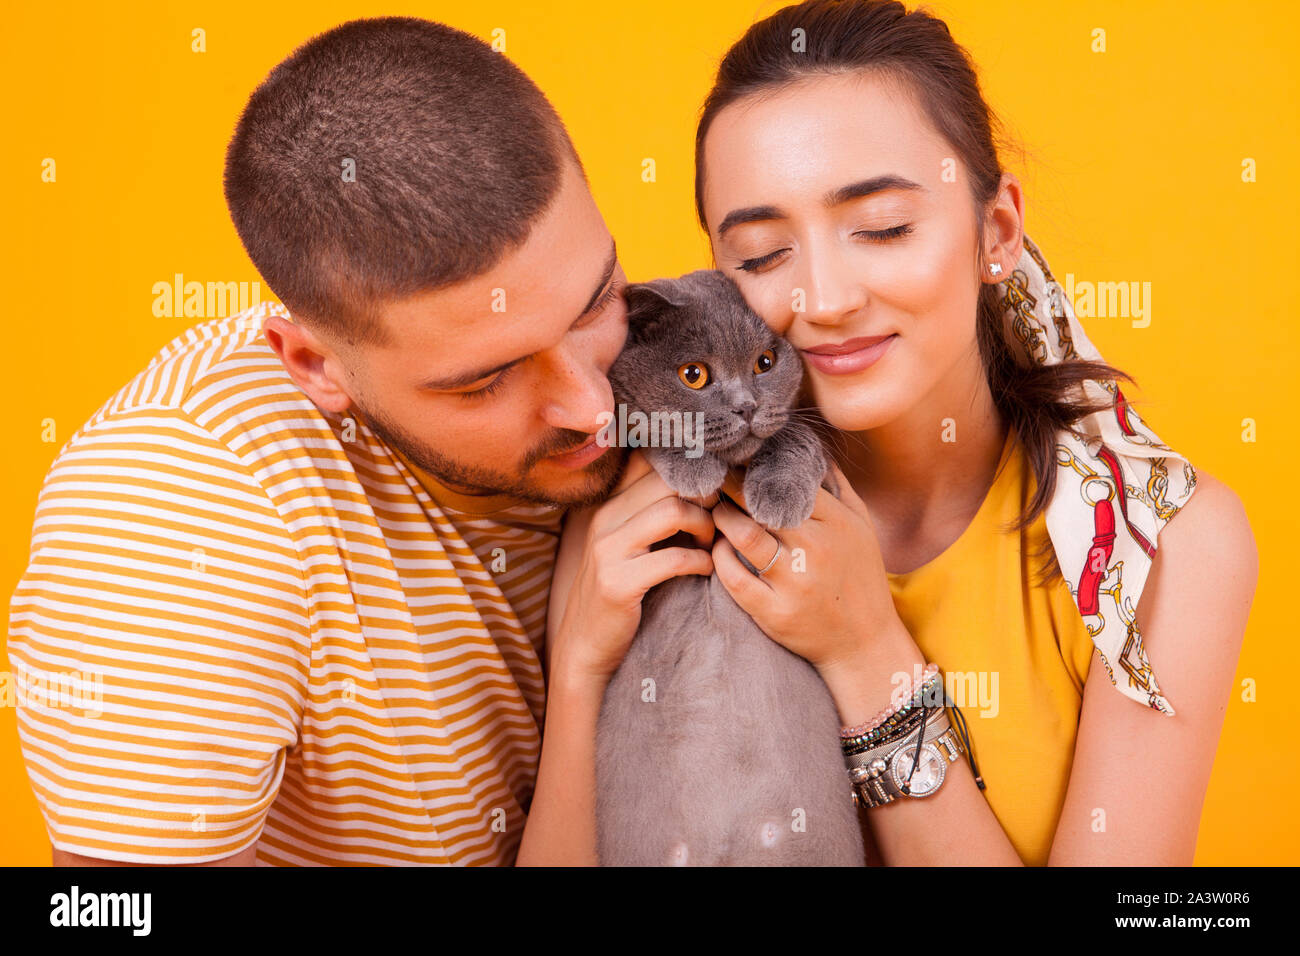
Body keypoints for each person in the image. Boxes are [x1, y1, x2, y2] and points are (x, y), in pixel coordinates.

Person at [550, 0, 1258, 865]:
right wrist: (577, 669)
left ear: (994, 231)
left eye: (882, 228)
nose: (827, 298)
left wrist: (867, 655)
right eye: (765, 254)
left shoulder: (1155, 548)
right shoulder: (643, 496)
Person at [6, 16, 709, 866]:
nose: (596, 407)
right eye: (487, 381)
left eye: (596, 301)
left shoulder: (686, 359)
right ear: (315, 365)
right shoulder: (177, 522)